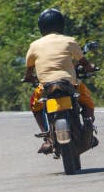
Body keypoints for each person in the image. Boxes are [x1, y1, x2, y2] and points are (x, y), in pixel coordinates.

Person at [23, 8, 97, 154]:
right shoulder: (69, 41)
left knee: (35, 106)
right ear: (61, 24)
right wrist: (90, 68)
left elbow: (29, 72)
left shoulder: (34, 45)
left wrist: (29, 78)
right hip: (70, 83)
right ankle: (88, 126)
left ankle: (47, 137)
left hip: (46, 87)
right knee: (88, 103)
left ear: (41, 27)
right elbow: (84, 62)